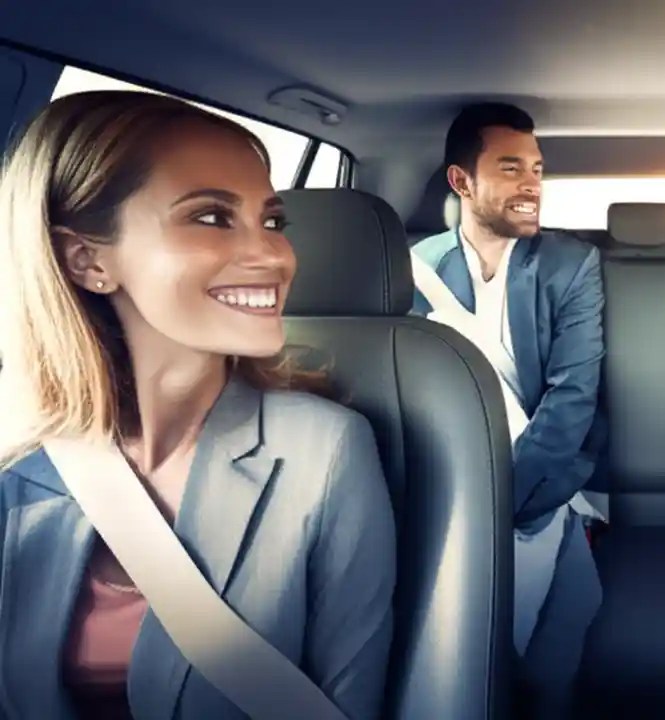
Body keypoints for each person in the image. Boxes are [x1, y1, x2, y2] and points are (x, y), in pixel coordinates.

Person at [0, 91, 396, 720]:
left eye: (272, 221)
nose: (273, 255)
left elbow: (347, 701)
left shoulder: (325, 451)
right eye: (211, 218)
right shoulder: (14, 456)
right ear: (87, 260)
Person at [409, 102, 605, 719]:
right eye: (512, 168)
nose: (532, 185)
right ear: (461, 181)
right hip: (445, 481)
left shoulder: (571, 265)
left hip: (533, 488)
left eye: (539, 170)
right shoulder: (413, 269)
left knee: (494, 646)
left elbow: (571, 401)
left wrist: (506, 499)